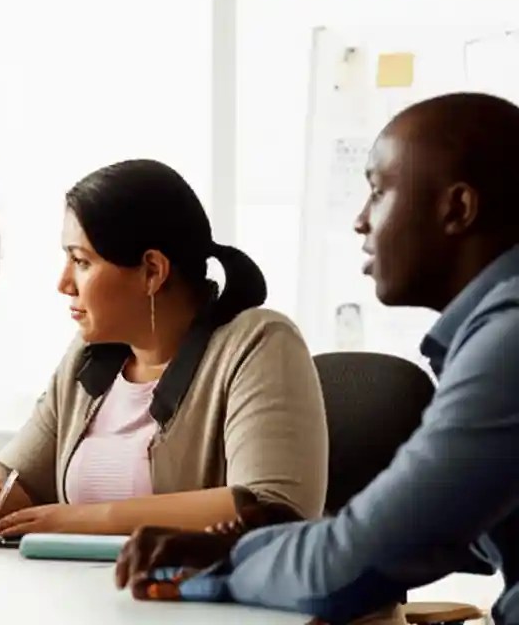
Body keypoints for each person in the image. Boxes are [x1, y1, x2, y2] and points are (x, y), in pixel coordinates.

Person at [114, 93, 519, 625]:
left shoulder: (508, 345)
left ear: (457, 208)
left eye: (378, 191)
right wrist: (266, 544)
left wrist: (229, 558)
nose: (360, 220)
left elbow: (351, 565)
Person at [0, 159, 328, 537]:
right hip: (81, 597)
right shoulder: (90, 359)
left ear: (152, 271)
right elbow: (14, 477)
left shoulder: (258, 343)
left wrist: (78, 520)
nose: (64, 283)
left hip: (203, 600)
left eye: (81, 261)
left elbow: (272, 508)